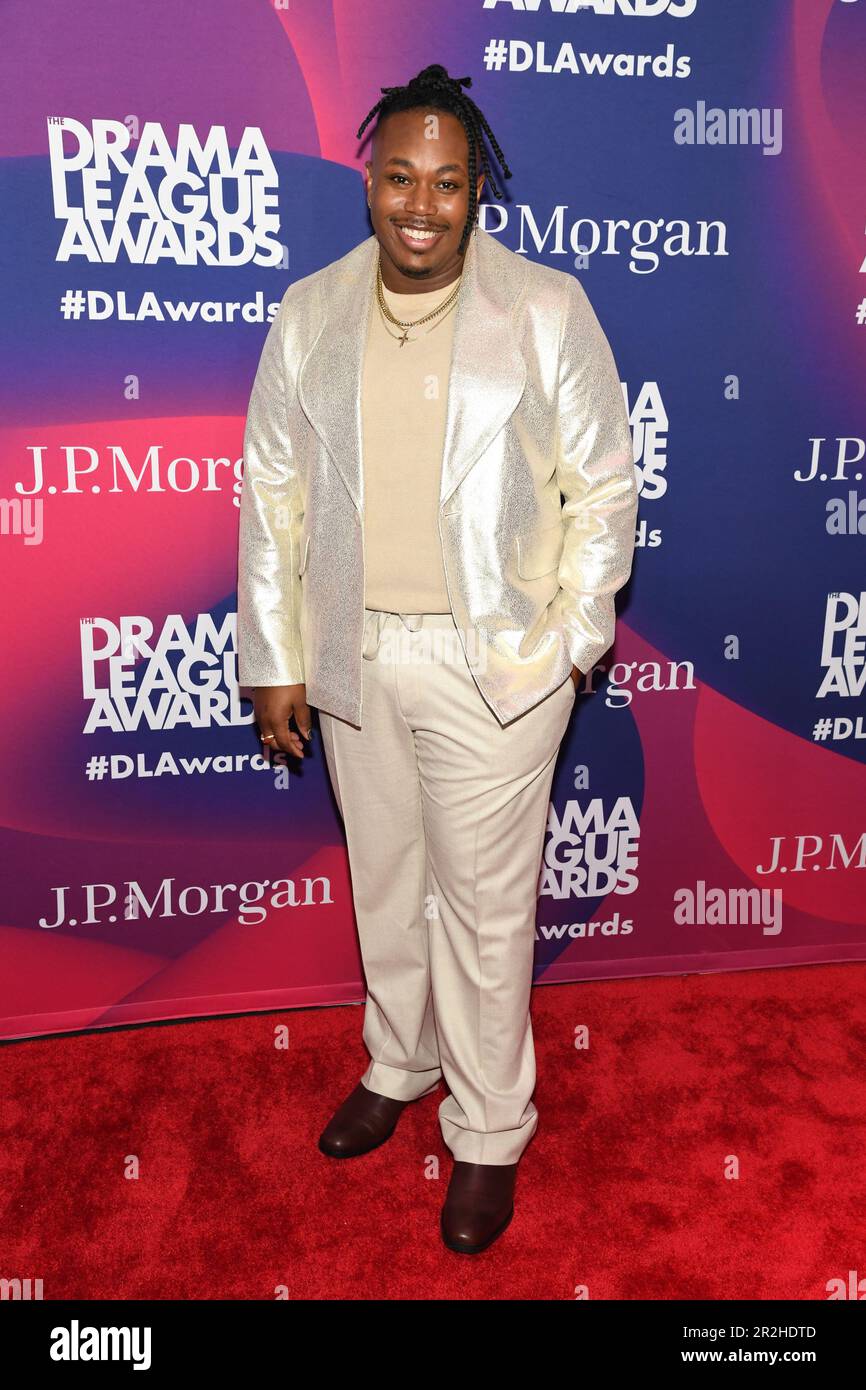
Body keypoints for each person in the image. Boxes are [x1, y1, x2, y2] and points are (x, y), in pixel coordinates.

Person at [237, 63, 639, 1255]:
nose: (422, 204)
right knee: (386, 885)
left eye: (447, 182)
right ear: (369, 178)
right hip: (356, 654)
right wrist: (276, 649)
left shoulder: (546, 308)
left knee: (481, 908)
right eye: (400, 176)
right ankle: (400, 1063)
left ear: (478, 192)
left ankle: (487, 1128)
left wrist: (570, 642)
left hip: (495, 667)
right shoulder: (309, 310)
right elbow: (273, 492)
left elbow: (602, 486)